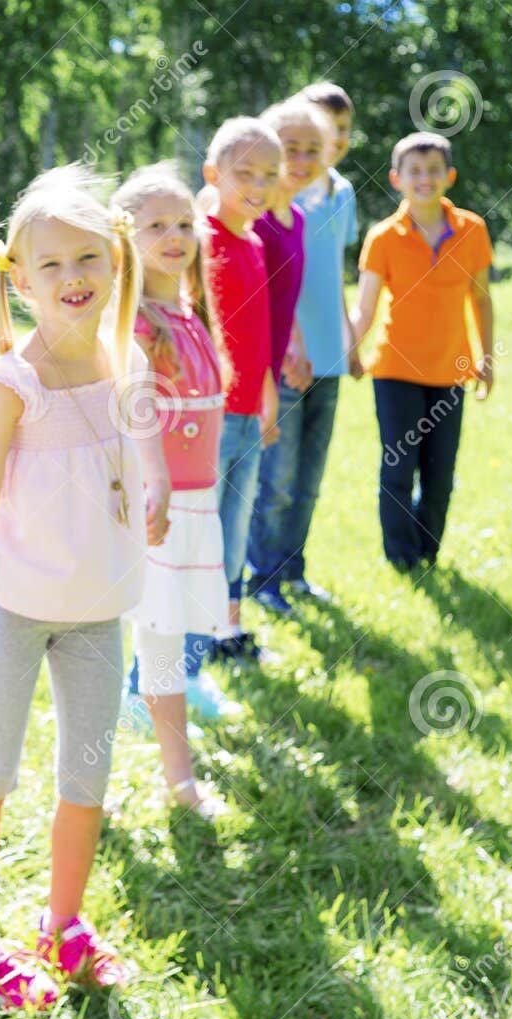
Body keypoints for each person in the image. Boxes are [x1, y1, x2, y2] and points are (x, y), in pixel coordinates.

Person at [0, 164, 170, 1009]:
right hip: (13, 611)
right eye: (52, 265)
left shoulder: (127, 363)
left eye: (89, 259)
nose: (73, 278)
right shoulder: (15, 383)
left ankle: (63, 921)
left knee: (87, 776)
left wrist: (153, 487)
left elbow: (144, 452)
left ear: (116, 263)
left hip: (96, 617)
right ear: (18, 276)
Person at [112, 162, 230, 821]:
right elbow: (135, 413)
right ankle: (93, 777)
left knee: (166, 652)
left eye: (184, 222)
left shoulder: (188, 314)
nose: (175, 234)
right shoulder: (134, 325)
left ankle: (178, 779)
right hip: (150, 514)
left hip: (191, 508)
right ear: (123, 238)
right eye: (155, 224)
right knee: (127, 652)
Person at [350, 131, 496, 572]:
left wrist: (487, 358)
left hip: (451, 370)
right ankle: (401, 556)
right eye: (414, 171)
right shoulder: (382, 237)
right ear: (397, 178)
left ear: (449, 176)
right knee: (397, 469)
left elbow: (482, 299)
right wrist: (352, 349)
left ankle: (427, 553)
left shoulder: (472, 230)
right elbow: (366, 305)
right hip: (394, 370)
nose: (424, 179)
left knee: (439, 474)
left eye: (433, 170)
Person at [245, 97, 336, 616]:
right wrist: (282, 356)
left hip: (291, 359)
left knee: (305, 477)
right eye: (290, 149)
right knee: (275, 479)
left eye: (312, 150)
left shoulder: (298, 216)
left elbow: (285, 294)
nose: (300, 161)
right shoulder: (255, 217)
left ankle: (290, 571)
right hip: (261, 371)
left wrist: (297, 342)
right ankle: (262, 580)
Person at [197, 117, 281, 671]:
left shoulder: (253, 240)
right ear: (212, 173)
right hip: (210, 416)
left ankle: (227, 628)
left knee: (233, 529)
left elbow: (259, 330)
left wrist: (269, 397)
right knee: (201, 531)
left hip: (250, 411)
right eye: (243, 173)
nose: (256, 185)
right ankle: (190, 645)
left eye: (267, 175)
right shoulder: (200, 239)